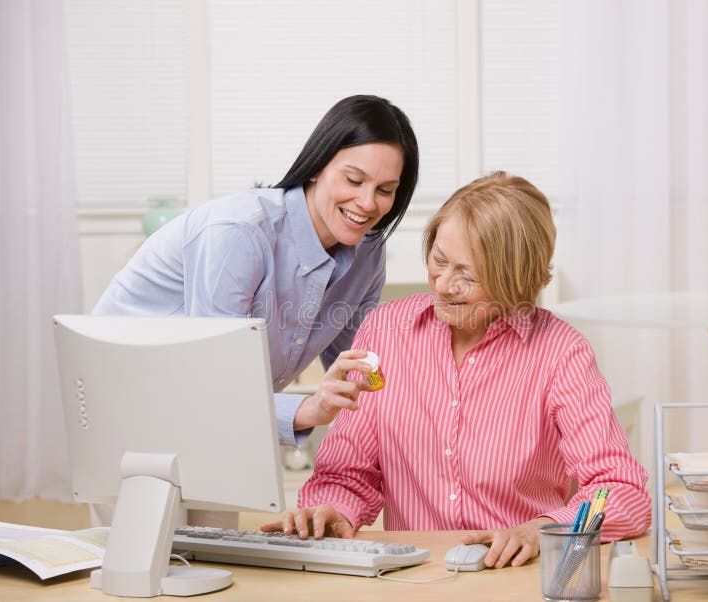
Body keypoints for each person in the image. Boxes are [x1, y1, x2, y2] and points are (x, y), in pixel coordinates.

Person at [264, 172, 651, 569]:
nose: (444, 285)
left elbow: (620, 490)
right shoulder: (385, 331)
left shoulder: (560, 352)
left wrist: (545, 528)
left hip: (517, 578)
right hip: (413, 578)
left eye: (466, 274)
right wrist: (333, 511)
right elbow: (348, 471)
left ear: (516, 278)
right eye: (439, 260)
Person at [93, 95, 419, 446]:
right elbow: (213, 375)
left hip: (210, 405)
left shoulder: (367, 252)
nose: (368, 203)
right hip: (128, 393)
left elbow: (357, 364)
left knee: (218, 496)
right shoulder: (240, 232)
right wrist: (309, 408)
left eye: (385, 190)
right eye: (354, 180)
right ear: (316, 166)